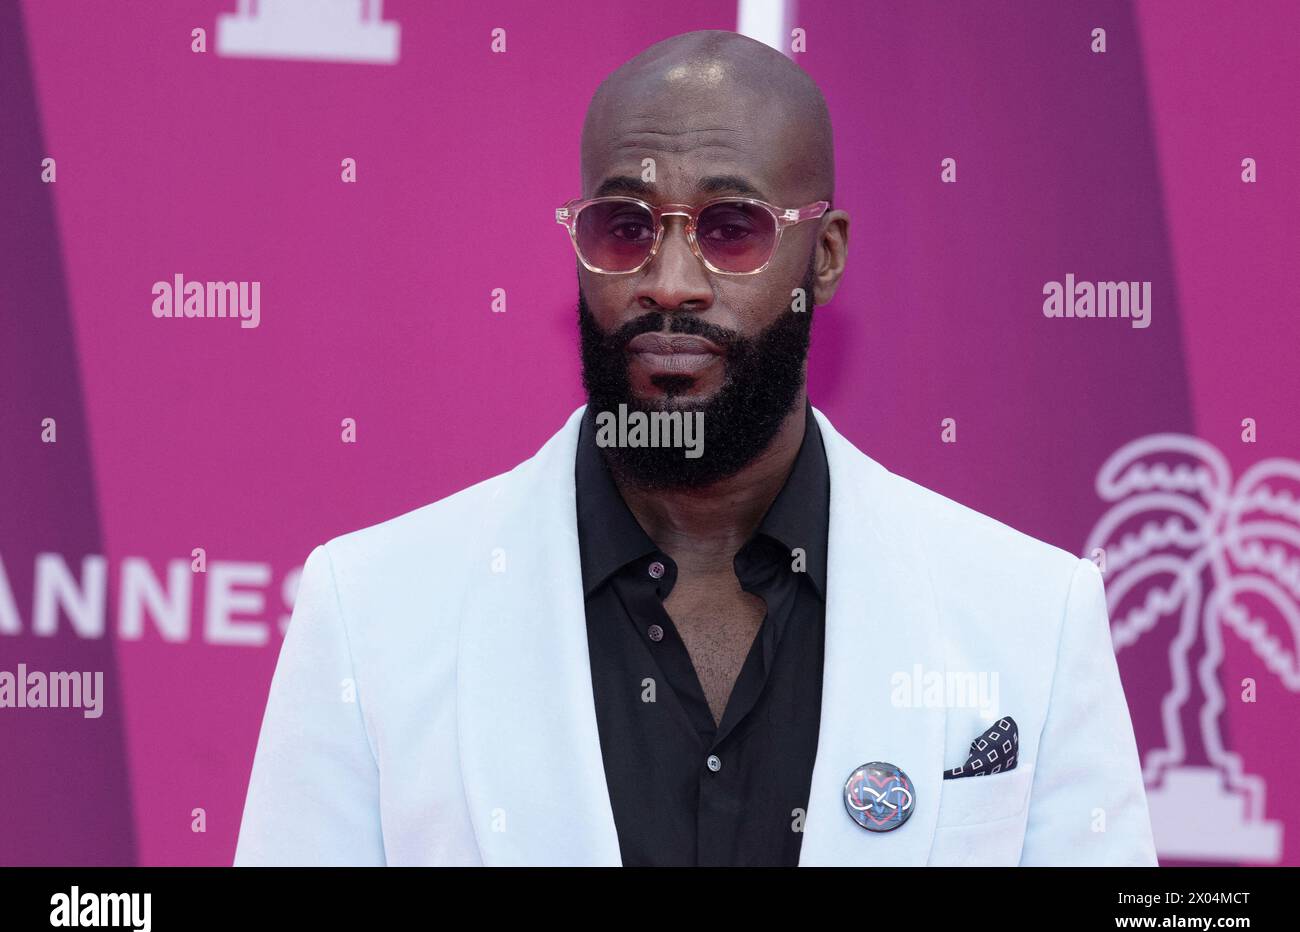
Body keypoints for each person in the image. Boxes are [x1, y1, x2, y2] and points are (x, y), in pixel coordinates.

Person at [234, 29, 1157, 866]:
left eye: (732, 230)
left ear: (824, 256)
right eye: (626, 228)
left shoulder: (1029, 617)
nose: (669, 283)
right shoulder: (373, 611)